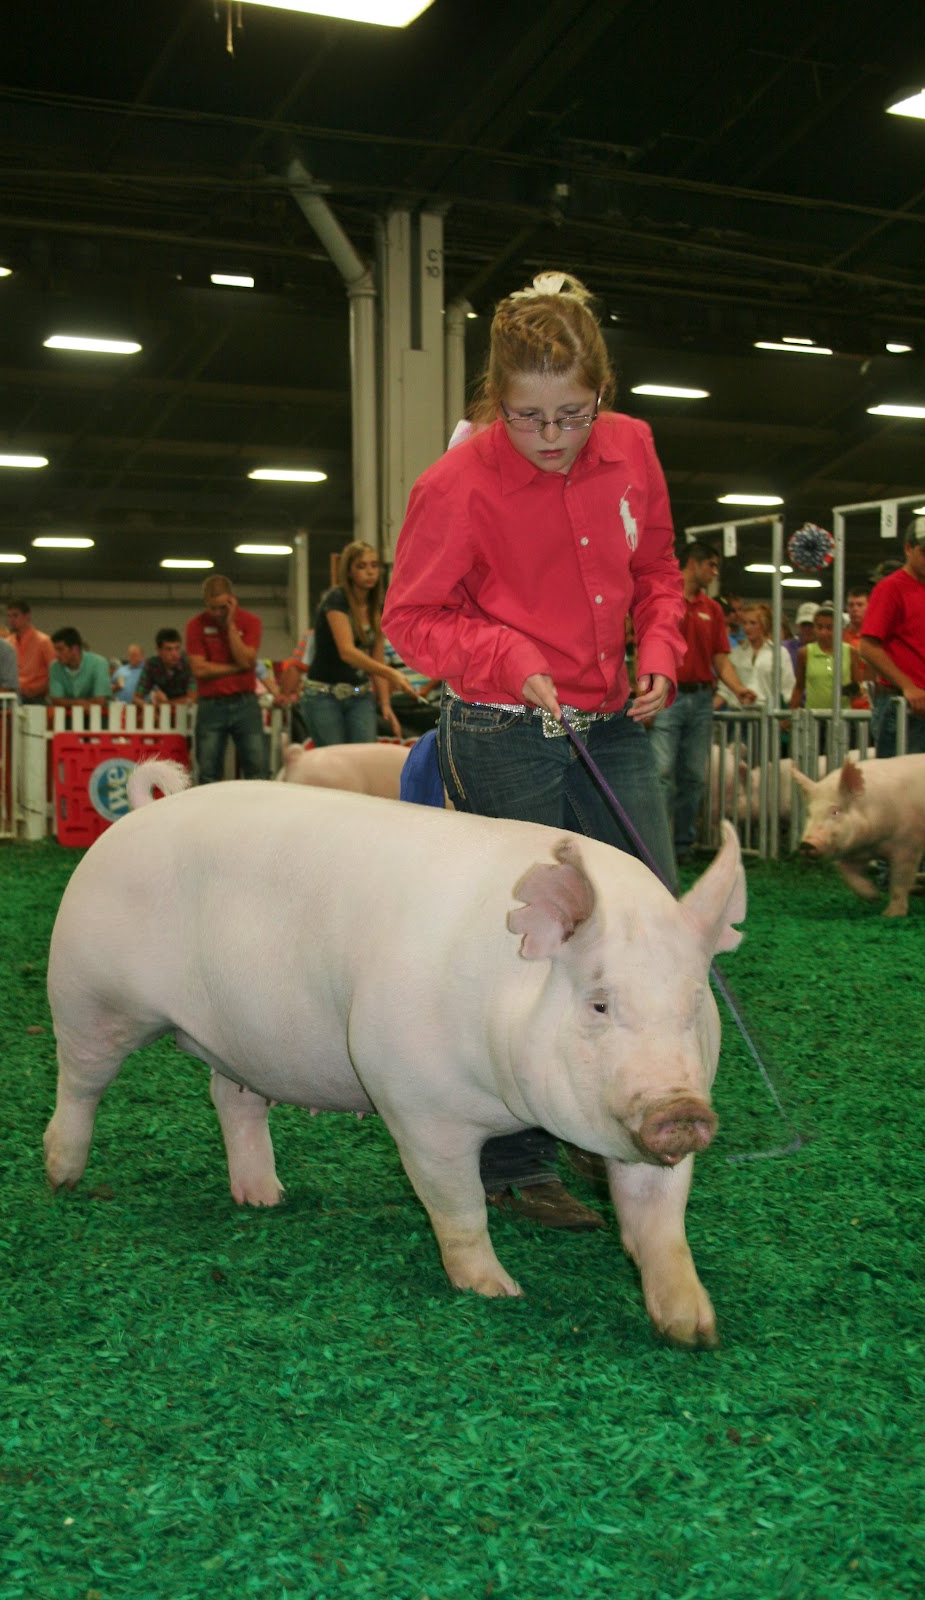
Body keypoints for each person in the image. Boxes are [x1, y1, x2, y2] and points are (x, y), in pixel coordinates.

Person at [383, 268, 685, 1231]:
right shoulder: (453, 484)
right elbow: (410, 619)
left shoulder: (633, 446)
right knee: (524, 945)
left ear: (602, 393)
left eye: (573, 414)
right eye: (527, 417)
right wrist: (509, 659)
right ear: (493, 400)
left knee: (647, 924)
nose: (553, 436)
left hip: (610, 722)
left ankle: (621, 1112)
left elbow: (658, 570)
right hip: (501, 727)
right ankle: (516, 1162)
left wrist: (662, 650)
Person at [644, 541, 757, 866]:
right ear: (693, 563)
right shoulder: (662, 598)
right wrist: (647, 691)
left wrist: (738, 688)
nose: (715, 572)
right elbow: (647, 645)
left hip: (702, 698)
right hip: (668, 694)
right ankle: (656, 846)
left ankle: (682, 845)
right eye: (712, 565)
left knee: (693, 776)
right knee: (662, 773)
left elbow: (720, 657)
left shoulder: (714, 609)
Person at [300, 541, 421, 746]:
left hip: (360, 694)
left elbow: (377, 658)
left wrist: (385, 704)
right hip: (323, 694)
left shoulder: (377, 606)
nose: (370, 572)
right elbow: (347, 651)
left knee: (364, 753)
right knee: (337, 759)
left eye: (374, 565)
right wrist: (391, 673)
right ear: (348, 571)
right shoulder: (336, 599)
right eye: (361, 566)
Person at [859, 515, 925, 758]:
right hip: (902, 705)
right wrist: (909, 687)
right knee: (901, 779)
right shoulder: (891, 588)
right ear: (908, 549)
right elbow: (867, 646)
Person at [185, 575, 267, 782]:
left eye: (223, 607)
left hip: (245, 703)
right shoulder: (195, 625)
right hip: (211, 705)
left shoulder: (250, 622)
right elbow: (199, 669)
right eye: (212, 608)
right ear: (205, 602)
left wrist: (230, 626)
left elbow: (246, 660)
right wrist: (237, 668)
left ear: (232, 600)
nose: (218, 613)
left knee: (257, 768)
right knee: (208, 771)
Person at [716, 602, 795, 710]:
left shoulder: (779, 653)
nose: (747, 627)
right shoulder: (735, 653)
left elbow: (787, 689)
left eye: (753, 623)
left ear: (764, 625)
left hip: (768, 714)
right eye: (744, 623)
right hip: (738, 713)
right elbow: (724, 690)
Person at [789, 604, 863, 713]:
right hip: (813, 716)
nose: (823, 632)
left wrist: (852, 690)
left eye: (829, 628)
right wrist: (790, 714)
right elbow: (799, 687)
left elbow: (859, 686)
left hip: (842, 715)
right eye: (819, 627)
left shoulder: (851, 652)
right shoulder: (804, 653)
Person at [6, 600, 55, 705]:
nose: (11, 620)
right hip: (13, 694)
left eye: (15, 615)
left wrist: (38, 690)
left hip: (37, 697)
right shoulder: (7, 643)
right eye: (9, 616)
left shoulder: (44, 642)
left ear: (27, 616)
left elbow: (55, 673)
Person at [48, 627, 112, 704]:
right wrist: (80, 703)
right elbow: (56, 700)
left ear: (75, 649)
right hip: (68, 712)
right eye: (55, 649)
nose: (56, 654)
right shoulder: (55, 667)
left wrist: (68, 702)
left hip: (98, 712)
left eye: (60, 649)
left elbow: (100, 701)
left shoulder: (99, 663)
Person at [134, 628, 196, 707]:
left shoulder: (188, 663)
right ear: (159, 651)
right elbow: (136, 698)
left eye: (177, 648)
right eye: (169, 649)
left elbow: (192, 699)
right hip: (163, 710)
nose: (174, 654)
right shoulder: (152, 665)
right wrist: (150, 707)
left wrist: (164, 704)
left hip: (188, 711)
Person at [843, 586, 873, 711]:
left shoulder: (876, 639)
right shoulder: (838, 637)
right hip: (843, 704)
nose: (855, 609)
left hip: (869, 704)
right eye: (851, 605)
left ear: (869, 607)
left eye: (860, 605)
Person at [783, 601, 818, 671]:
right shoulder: (785, 648)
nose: (807, 628)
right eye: (804, 624)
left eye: (811, 624)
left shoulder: (827, 650)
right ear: (798, 625)